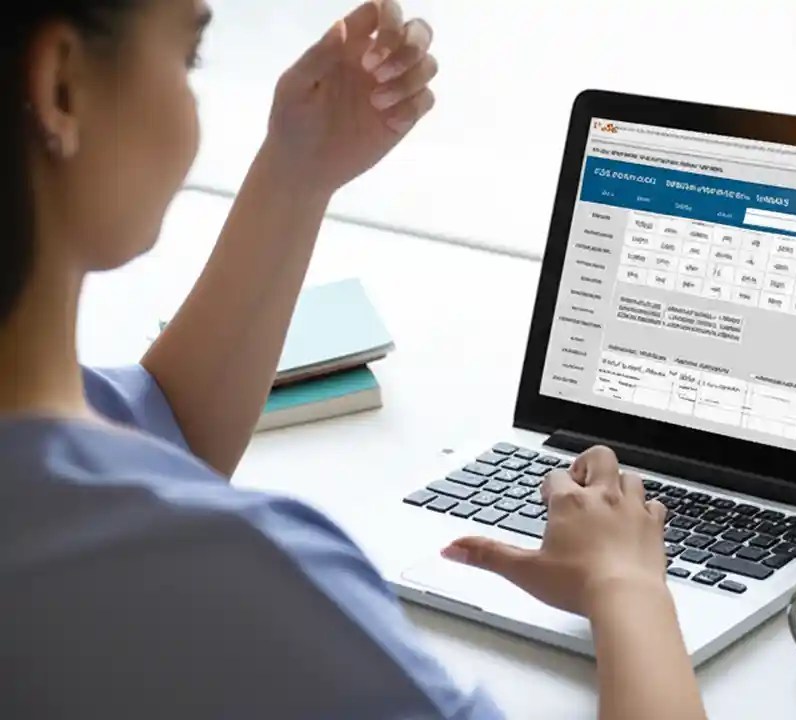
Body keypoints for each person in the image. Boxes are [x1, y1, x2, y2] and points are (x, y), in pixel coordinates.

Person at [0, 2, 708, 719]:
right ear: (62, 87)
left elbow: (155, 437)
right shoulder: (252, 576)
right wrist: (627, 585)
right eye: (189, 57)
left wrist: (297, 172)